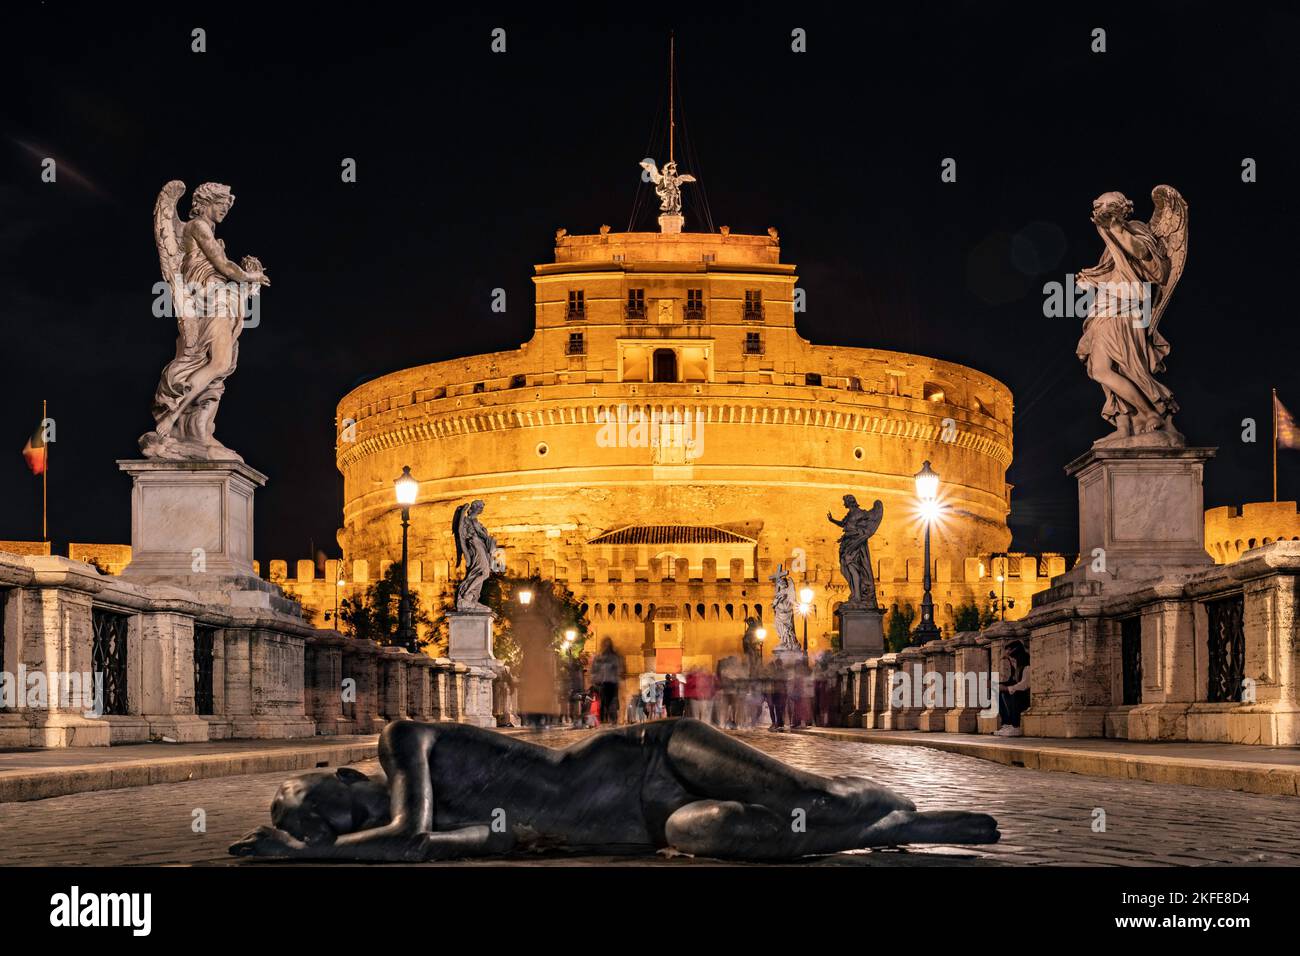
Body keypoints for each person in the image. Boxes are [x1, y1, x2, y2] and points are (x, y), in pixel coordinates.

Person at [231, 718, 1000, 862]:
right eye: (335, 827)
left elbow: (401, 842)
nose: (354, 818)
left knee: (812, 801)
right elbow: (430, 844)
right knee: (717, 836)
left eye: (339, 807)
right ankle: (877, 831)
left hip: (649, 756)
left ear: (341, 776)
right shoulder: (427, 826)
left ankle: (864, 803)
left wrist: (294, 860)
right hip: (652, 825)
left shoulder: (402, 743)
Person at [995, 642, 1031, 737]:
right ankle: (1006, 724)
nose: (1011, 661)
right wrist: (999, 686)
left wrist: (1007, 688)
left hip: (1025, 697)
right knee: (999, 691)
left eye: (1012, 658)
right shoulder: (1015, 665)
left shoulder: (1026, 665)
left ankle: (1015, 726)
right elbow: (1012, 680)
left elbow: (1024, 685)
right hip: (1018, 693)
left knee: (1014, 692)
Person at [591, 638, 623, 726]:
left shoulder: (614, 657)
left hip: (613, 682)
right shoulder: (599, 657)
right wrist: (595, 679)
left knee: (613, 700)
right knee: (606, 701)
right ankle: (610, 718)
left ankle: (613, 719)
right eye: (605, 644)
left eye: (608, 644)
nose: (606, 646)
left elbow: (619, 667)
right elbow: (594, 669)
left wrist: (619, 675)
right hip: (604, 682)